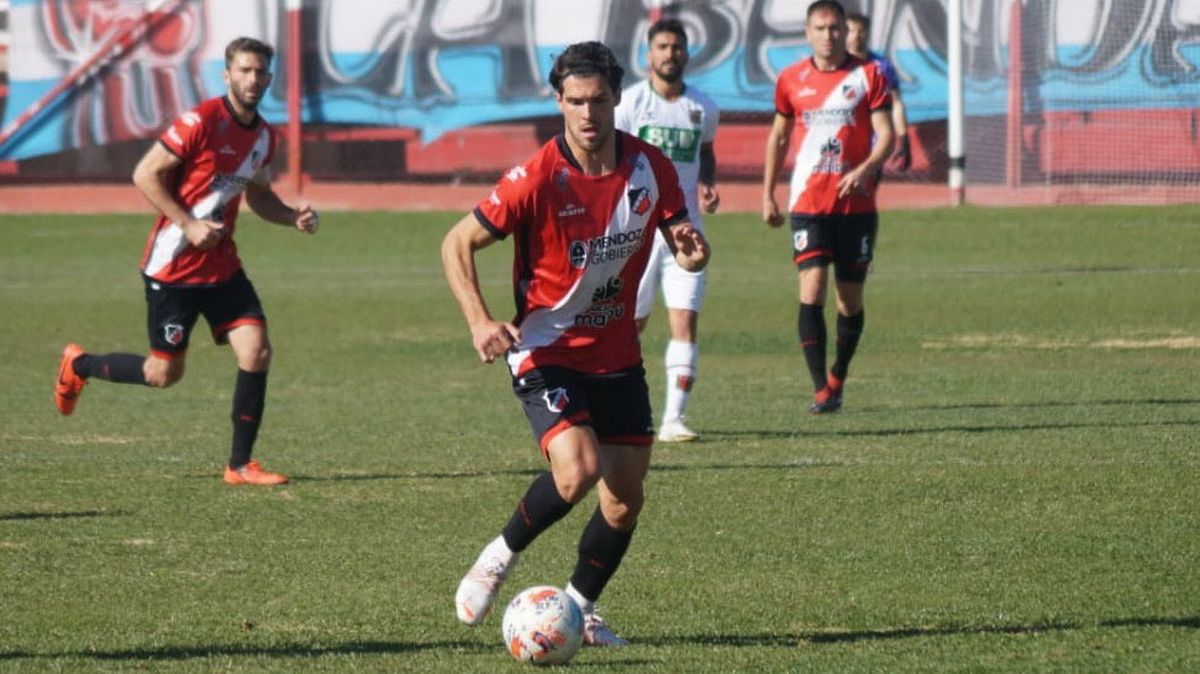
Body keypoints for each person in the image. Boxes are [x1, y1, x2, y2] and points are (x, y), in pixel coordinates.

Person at [441, 41, 709, 646]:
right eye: (576, 102)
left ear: (616, 99)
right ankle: (498, 555)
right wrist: (480, 320)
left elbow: (683, 241)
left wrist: (694, 253)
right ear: (559, 102)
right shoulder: (535, 178)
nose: (588, 114)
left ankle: (580, 608)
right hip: (546, 349)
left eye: (599, 100)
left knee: (624, 501)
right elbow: (455, 243)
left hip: (617, 356)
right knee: (578, 469)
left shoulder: (650, 167)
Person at [53, 37, 319, 485]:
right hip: (173, 269)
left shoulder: (264, 137)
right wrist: (188, 224)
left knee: (256, 351)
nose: (253, 79)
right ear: (227, 75)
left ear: (270, 78)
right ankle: (79, 366)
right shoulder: (200, 122)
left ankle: (239, 466)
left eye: (260, 72)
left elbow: (258, 196)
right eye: (244, 70)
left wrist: (293, 217)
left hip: (222, 267)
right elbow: (145, 174)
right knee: (162, 374)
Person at [761, 1, 894, 414]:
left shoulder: (869, 75)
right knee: (812, 286)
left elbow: (887, 134)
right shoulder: (790, 79)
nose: (828, 35)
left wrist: (866, 169)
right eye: (820, 28)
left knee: (849, 301)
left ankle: (838, 375)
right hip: (808, 203)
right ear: (807, 33)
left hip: (856, 207)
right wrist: (768, 193)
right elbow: (779, 137)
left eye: (835, 28)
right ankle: (821, 389)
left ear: (845, 31)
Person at [615, 17, 720, 443]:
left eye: (676, 47)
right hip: (636, 232)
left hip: (684, 232)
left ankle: (674, 419)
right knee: (629, 326)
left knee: (685, 320)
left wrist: (707, 182)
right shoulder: (629, 104)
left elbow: (705, 151)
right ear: (649, 55)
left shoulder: (703, 107)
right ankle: (616, 407)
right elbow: (612, 159)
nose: (669, 54)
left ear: (686, 53)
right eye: (662, 47)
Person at [846, 12, 911, 171]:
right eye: (851, 30)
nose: (856, 36)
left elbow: (896, 103)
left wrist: (904, 139)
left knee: (867, 182)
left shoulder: (882, 66)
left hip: (873, 141)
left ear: (868, 33)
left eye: (861, 31)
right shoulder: (836, 66)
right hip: (843, 137)